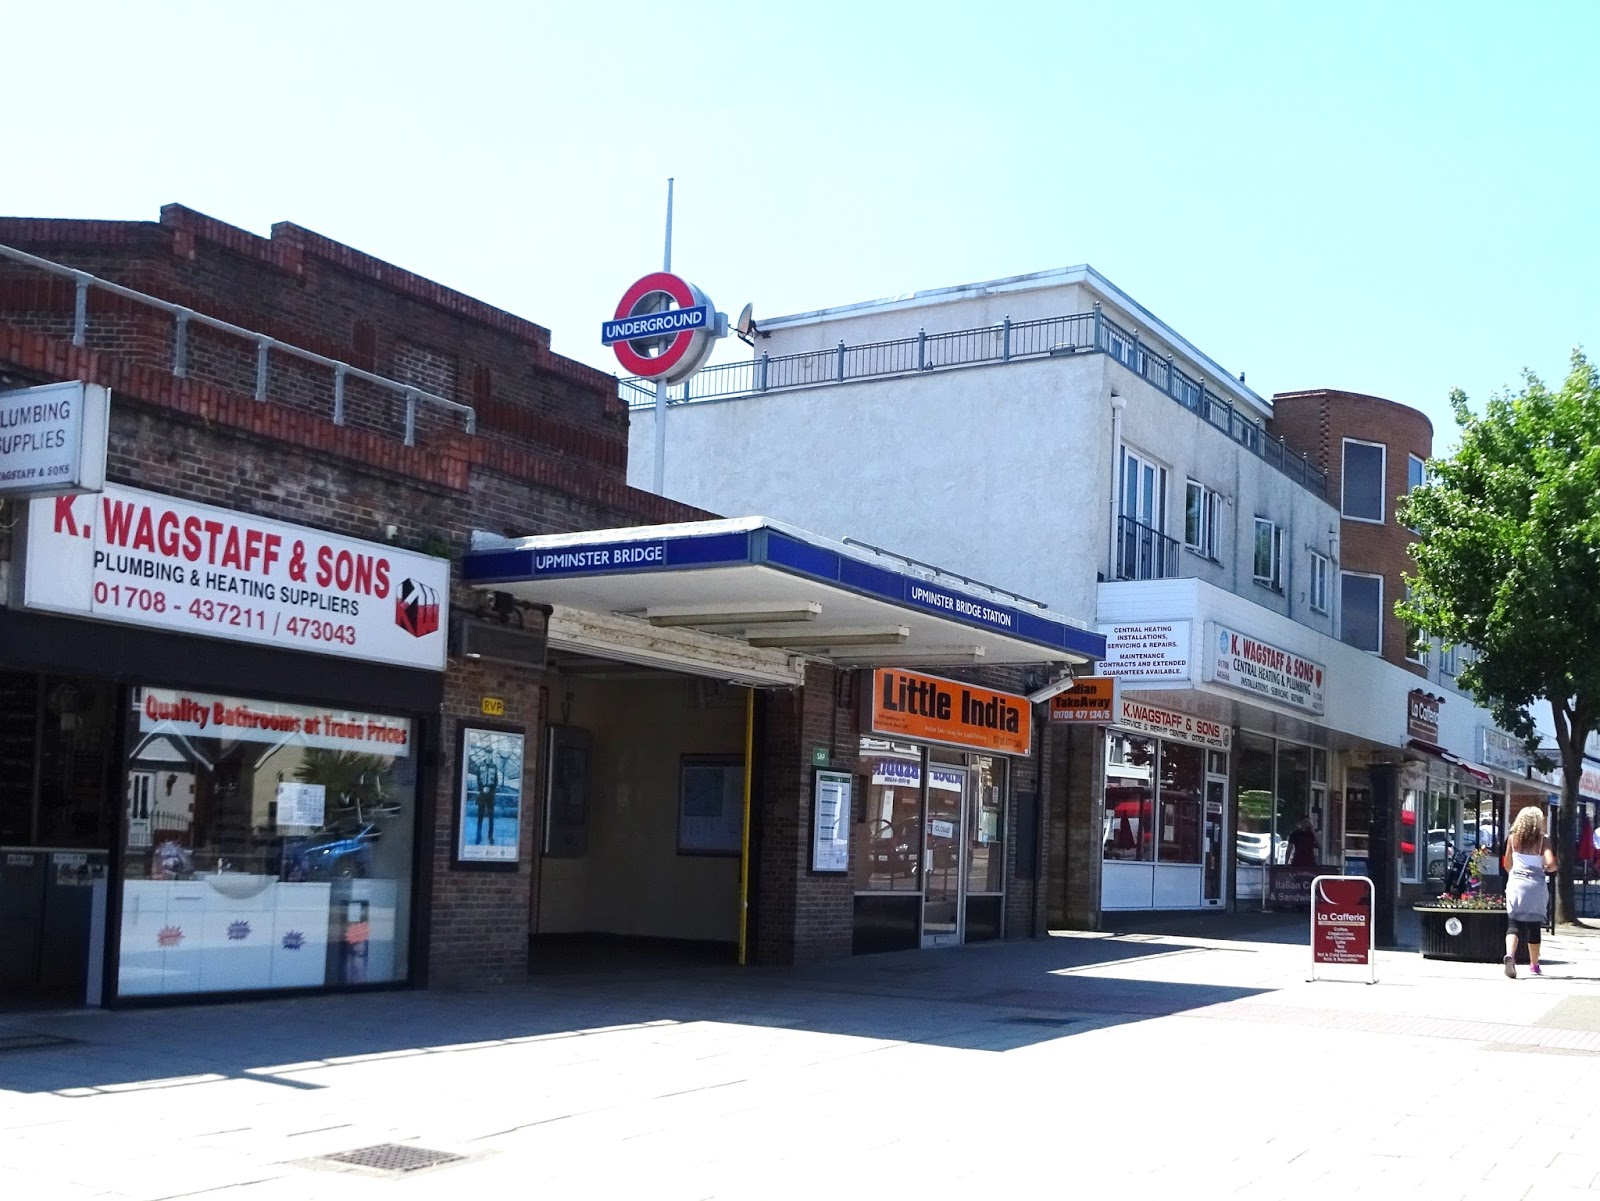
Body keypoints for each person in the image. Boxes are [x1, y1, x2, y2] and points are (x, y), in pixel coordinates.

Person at [1502, 805, 1557, 978]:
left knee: (1513, 924)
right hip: (1535, 886)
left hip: (1516, 884)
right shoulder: (1543, 840)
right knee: (1534, 926)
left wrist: (1516, 872)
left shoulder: (1512, 839)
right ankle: (1534, 965)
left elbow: (1507, 864)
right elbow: (1551, 864)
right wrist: (1545, 868)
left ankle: (1510, 955)